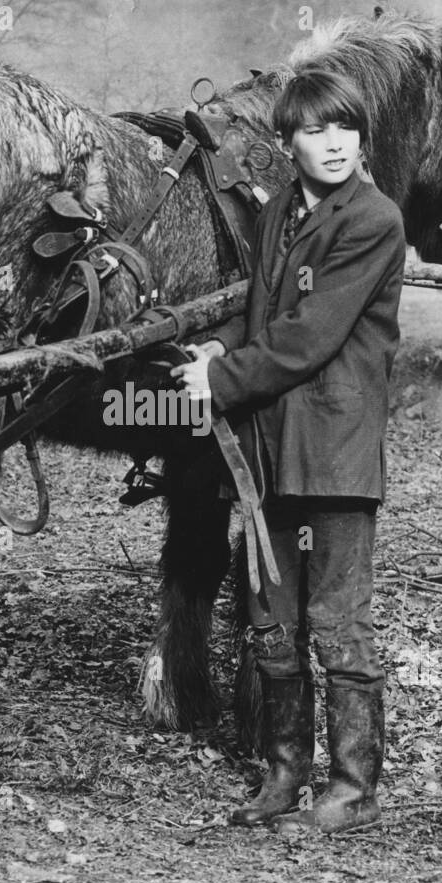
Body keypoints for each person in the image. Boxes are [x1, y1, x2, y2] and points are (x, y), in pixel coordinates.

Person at [173, 67, 405, 835]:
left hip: (335, 455)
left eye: (346, 129)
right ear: (288, 142)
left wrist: (223, 379)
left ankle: (350, 791)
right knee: (272, 622)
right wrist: (217, 346)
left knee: (339, 624)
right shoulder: (277, 217)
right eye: (316, 131)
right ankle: (282, 776)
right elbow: (264, 314)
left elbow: (308, 336)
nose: (334, 144)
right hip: (270, 454)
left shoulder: (373, 220)